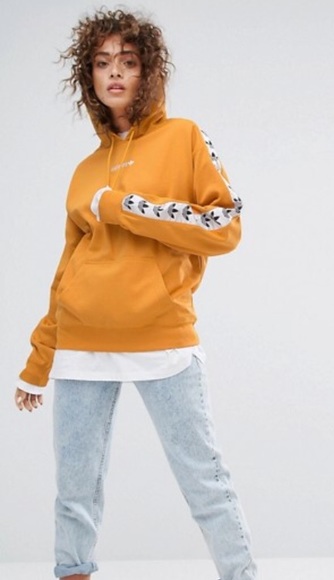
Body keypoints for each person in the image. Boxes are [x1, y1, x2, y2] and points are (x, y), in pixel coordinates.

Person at [13, 8, 257, 580]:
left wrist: (124, 207)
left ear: (149, 71)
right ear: (89, 78)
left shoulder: (184, 136)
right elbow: (67, 270)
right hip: (80, 344)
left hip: (161, 338)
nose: (115, 73)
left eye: (127, 61)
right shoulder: (84, 170)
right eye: (102, 64)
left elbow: (224, 226)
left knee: (203, 478)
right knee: (75, 486)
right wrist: (39, 360)